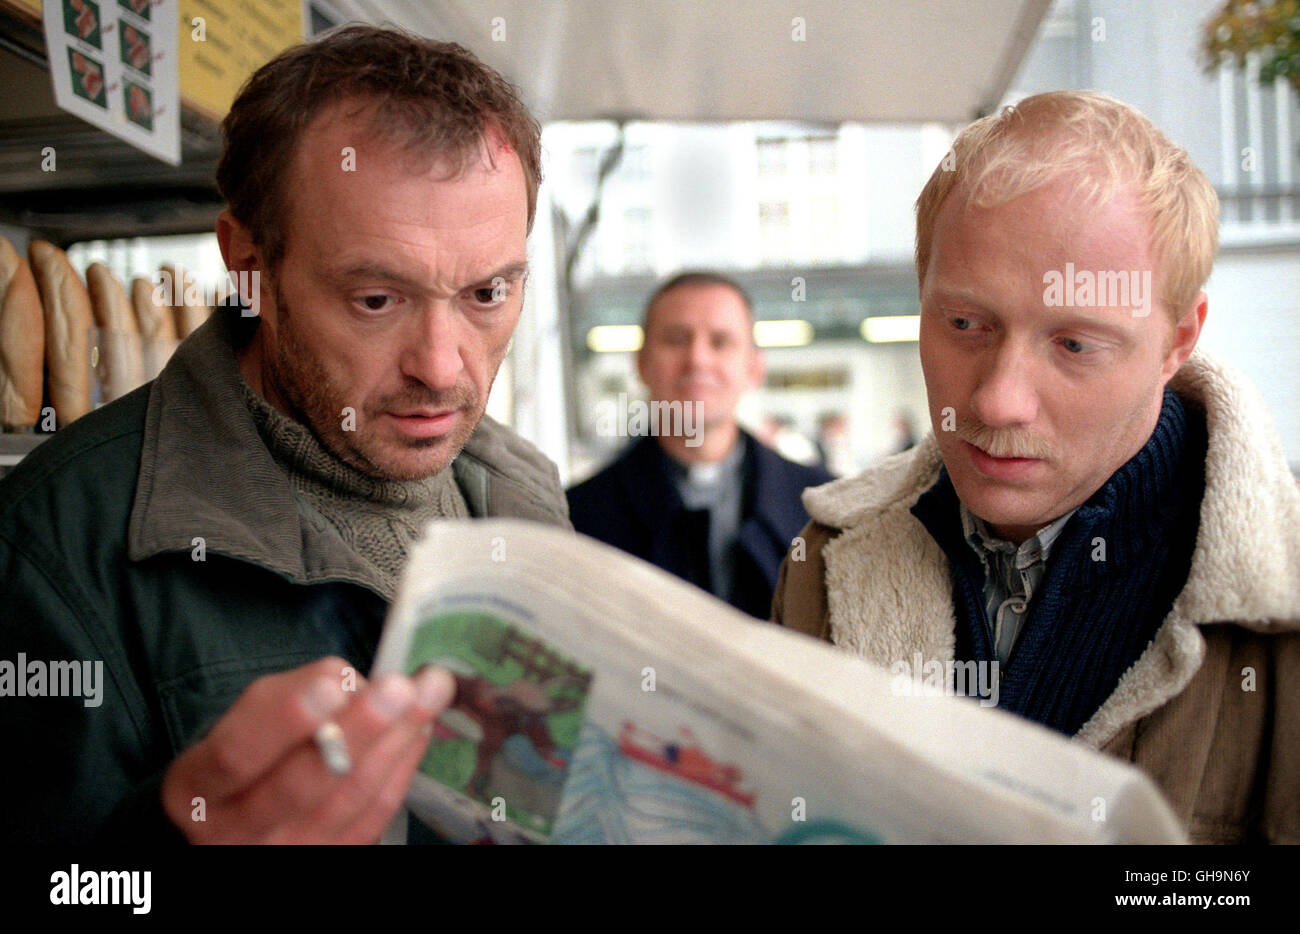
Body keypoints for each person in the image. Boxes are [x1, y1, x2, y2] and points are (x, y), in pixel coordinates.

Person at [0, 25, 570, 844]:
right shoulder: (56, 549)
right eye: (377, 299)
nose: (442, 369)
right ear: (249, 266)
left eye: (487, 294)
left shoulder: (522, 495)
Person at [772, 91, 1299, 844]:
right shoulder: (821, 564)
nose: (999, 400)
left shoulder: (1283, 608)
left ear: (1179, 339)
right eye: (964, 324)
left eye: (1075, 345)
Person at [568, 272, 832, 619]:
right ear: (641, 363)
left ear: (755, 367)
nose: (697, 360)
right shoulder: (577, 519)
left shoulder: (823, 508)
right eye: (677, 339)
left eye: (720, 342)